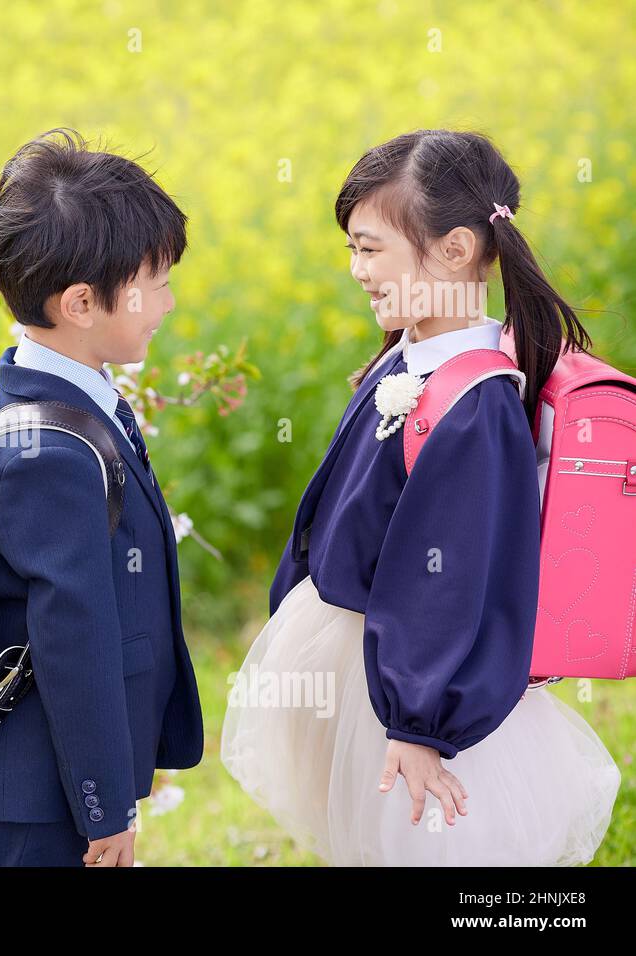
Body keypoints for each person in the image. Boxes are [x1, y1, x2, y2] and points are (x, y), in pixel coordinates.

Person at [220, 128, 621, 866]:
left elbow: (453, 573)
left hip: (410, 677)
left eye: (371, 249)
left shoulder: (475, 398)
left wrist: (417, 724)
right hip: (367, 655)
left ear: (456, 249)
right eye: (352, 249)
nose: (356, 270)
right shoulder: (410, 357)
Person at [0, 128, 204, 866]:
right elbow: (71, 640)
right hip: (34, 799)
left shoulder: (62, 402)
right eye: (157, 282)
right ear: (81, 302)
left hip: (37, 784)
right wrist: (103, 806)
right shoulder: (49, 450)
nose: (168, 303)